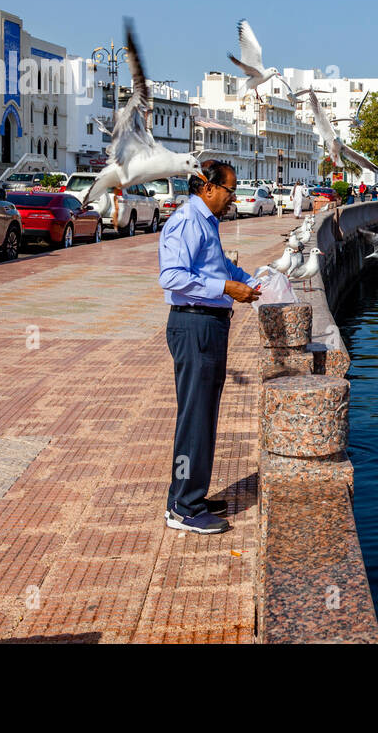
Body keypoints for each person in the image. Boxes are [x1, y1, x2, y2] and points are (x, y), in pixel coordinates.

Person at [157, 160, 260, 535]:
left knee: (203, 416)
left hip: (210, 324)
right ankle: (183, 508)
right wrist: (226, 289)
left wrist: (250, 282)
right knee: (194, 418)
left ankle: (189, 495)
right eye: (230, 190)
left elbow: (217, 270)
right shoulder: (187, 221)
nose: (233, 197)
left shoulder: (207, 223)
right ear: (208, 188)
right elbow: (171, 276)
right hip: (194, 323)